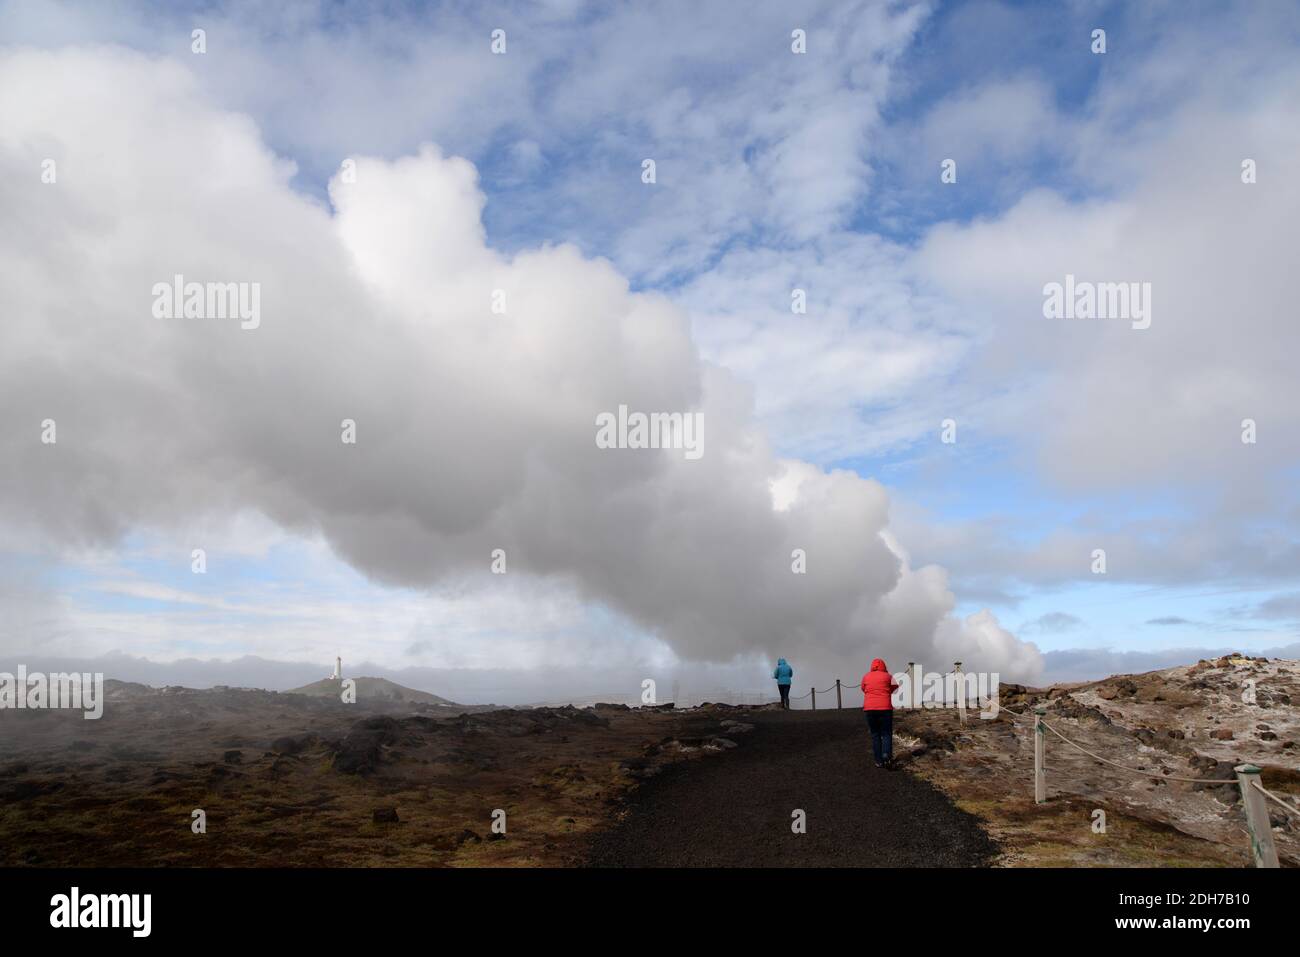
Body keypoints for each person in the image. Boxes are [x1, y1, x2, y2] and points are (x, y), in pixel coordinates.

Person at [861, 658, 899, 768]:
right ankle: (886, 755)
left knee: (875, 734)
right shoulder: (888, 676)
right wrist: (887, 691)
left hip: (869, 709)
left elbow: (863, 688)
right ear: (884, 666)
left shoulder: (866, 676)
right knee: (886, 733)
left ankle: (878, 761)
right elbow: (895, 686)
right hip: (885, 708)